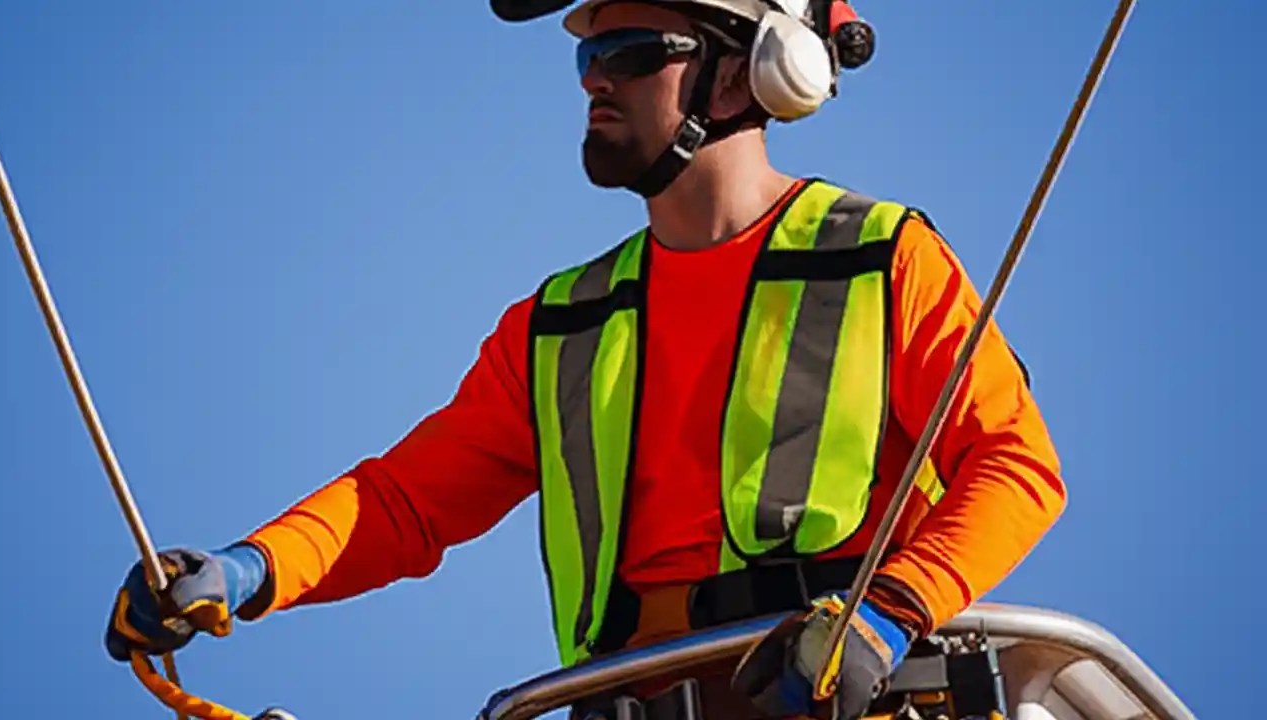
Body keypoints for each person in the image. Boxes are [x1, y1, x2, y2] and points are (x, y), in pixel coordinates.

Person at [105, 1, 1067, 718]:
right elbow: (406, 502)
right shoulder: (562, 323)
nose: (590, 77)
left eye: (626, 51)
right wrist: (246, 570)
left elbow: (1017, 466)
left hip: (834, 697)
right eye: (585, 54)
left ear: (747, 75)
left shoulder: (878, 256)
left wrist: (888, 615)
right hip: (626, 700)